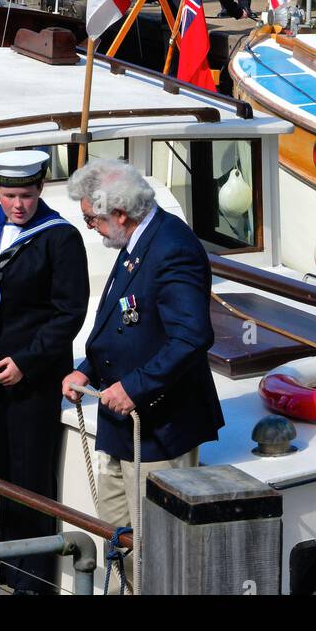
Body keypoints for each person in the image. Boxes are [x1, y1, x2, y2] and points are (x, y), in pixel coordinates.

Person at [62, 159, 223, 577]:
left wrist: (134, 387)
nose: (92, 229)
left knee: (156, 549)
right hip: (123, 426)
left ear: (119, 214)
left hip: (157, 428)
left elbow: (190, 337)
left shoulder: (173, 248)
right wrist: (88, 371)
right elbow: (123, 324)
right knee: (118, 541)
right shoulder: (135, 242)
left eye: (92, 220)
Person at [0, 149, 90, 595]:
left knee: (31, 473)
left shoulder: (60, 238)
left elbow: (68, 313)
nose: (18, 205)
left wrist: (27, 362)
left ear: (40, 190)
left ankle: (31, 577)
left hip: (34, 375)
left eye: (26, 196)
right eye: (10, 195)